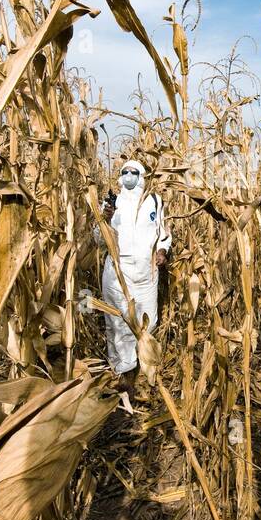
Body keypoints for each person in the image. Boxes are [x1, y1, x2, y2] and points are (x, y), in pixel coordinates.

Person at [97, 159, 170, 382]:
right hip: (118, 271)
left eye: (134, 172)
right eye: (125, 172)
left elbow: (162, 232)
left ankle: (144, 369)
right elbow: (98, 239)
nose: (129, 175)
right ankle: (122, 372)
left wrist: (162, 251)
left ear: (142, 175)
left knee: (149, 320)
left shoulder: (154, 202)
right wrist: (105, 220)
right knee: (119, 323)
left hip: (146, 272)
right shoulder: (111, 203)